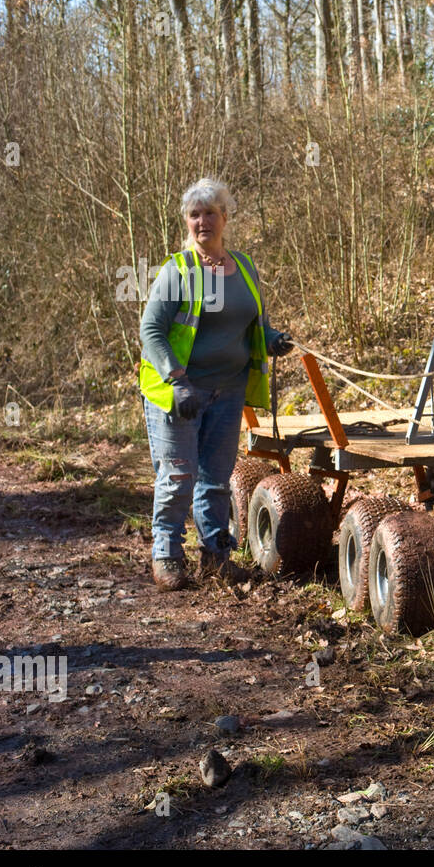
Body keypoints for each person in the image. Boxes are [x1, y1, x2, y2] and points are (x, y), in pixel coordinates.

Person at [138, 178, 293, 590]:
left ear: (225, 217)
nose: (202, 221)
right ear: (187, 223)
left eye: (210, 213)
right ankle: (167, 557)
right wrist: (177, 380)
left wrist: (273, 338)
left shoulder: (244, 266)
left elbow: (252, 322)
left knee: (216, 479)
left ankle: (216, 557)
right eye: (194, 215)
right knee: (176, 478)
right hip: (179, 395)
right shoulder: (177, 271)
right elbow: (150, 331)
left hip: (228, 393)